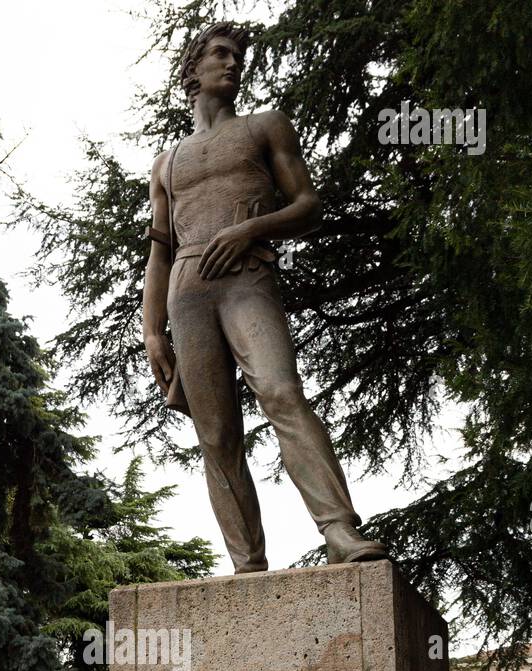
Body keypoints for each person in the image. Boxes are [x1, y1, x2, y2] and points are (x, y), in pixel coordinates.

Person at [143, 21, 387, 571]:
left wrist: (250, 230)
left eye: (237, 58)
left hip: (247, 275)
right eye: (221, 55)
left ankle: (340, 532)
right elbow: (158, 253)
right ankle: (247, 563)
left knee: (280, 393)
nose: (233, 65)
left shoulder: (264, 126)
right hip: (187, 291)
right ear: (193, 70)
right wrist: (151, 330)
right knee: (216, 433)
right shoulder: (166, 162)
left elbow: (307, 204)